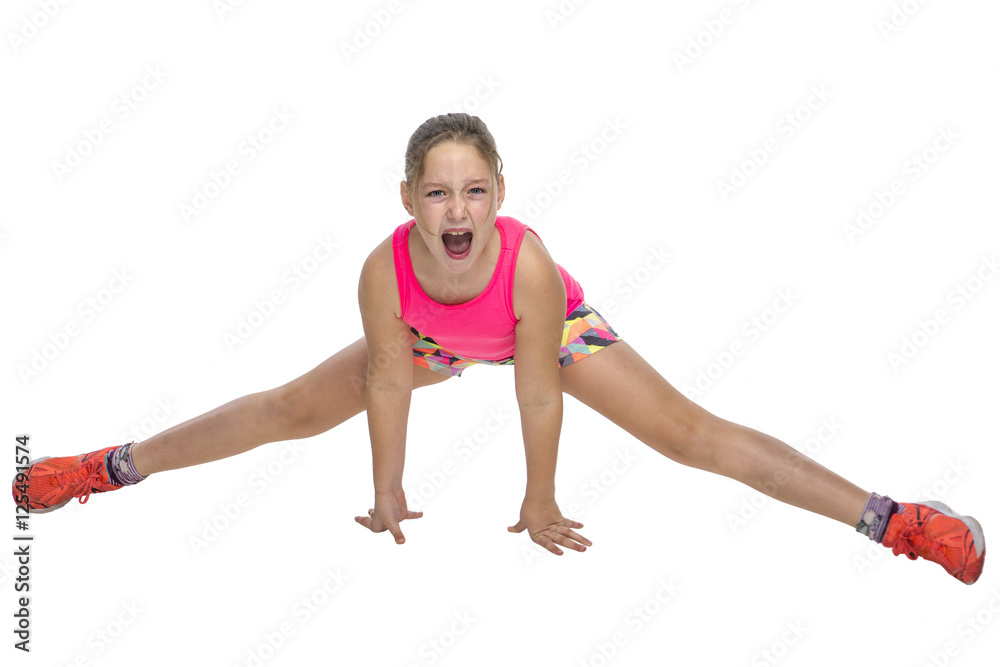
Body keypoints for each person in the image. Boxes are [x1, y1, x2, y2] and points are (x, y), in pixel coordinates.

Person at [12, 113, 986, 584]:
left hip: (544, 337)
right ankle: (105, 467)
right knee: (283, 411)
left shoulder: (523, 264)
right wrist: (387, 485)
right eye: (437, 191)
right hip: (432, 338)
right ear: (407, 202)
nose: (456, 207)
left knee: (687, 432)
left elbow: (536, 392)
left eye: (474, 190)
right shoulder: (383, 269)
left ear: (500, 196)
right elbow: (389, 382)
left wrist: (538, 496)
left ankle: (895, 518)